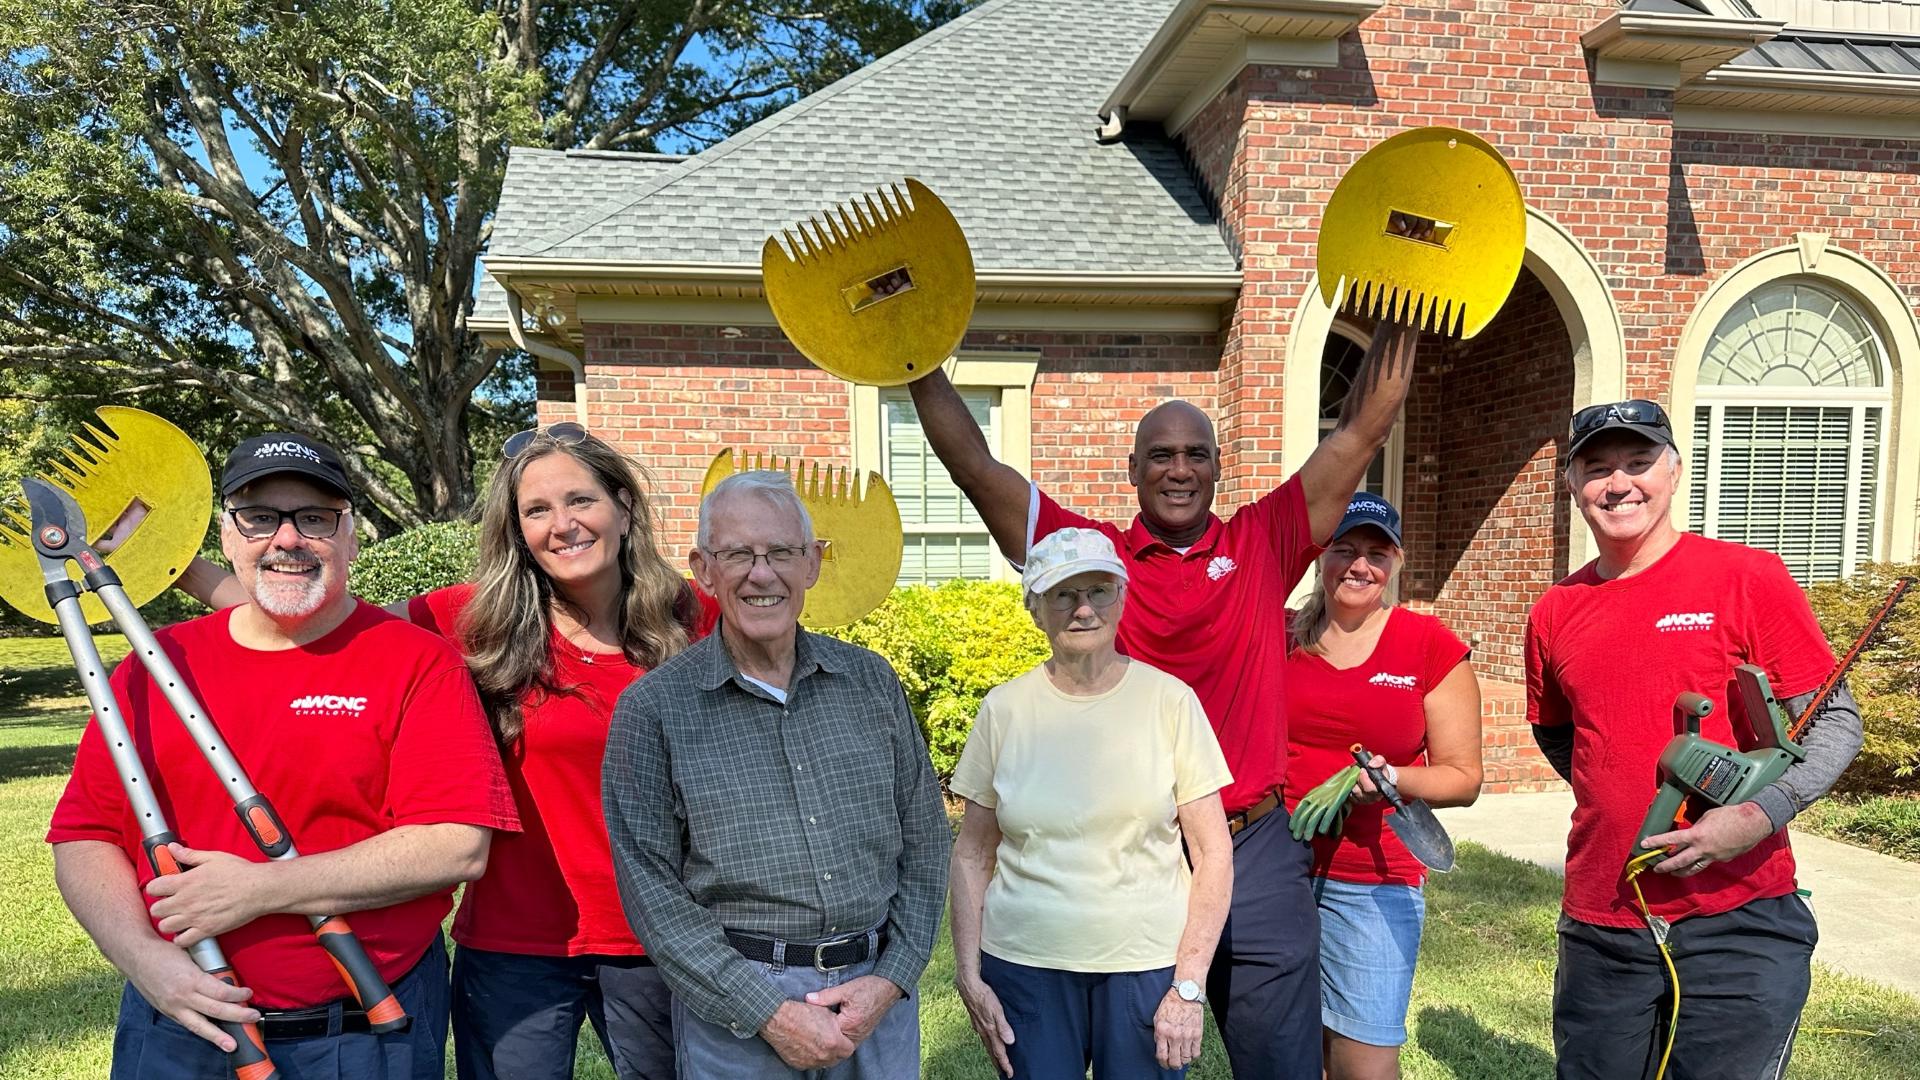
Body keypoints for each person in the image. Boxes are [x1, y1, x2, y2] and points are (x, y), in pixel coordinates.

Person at [906, 321, 1421, 1077]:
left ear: (1217, 467)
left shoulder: (1262, 541)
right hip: (1129, 858)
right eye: (1160, 455)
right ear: (1133, 470)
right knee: (1136, 1057)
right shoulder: (1095, 561)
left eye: (1195, 454)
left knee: (1281, 1063)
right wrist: (913, 358)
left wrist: (1405, 301)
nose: (1179, 470)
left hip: (1248, 843)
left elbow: (1360, 433)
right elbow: (976, 469)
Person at [174, 422, 714, 1079]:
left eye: (581, 500)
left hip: (658, 930)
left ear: (624, 508)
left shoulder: (695, 618)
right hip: (516, 945)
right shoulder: (474, 618)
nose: (562, 525)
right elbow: (319, 623)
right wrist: (174, 562)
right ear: (517, 530)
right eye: (537, 510)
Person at [46, 432, 519, 1079]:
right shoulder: (151, 668)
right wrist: (143, 960)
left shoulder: (417, 663)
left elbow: (455, 846)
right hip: (180, 1027)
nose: (287, 539)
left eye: (315, 518)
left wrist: (260, 890)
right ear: (227, 536)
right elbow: (85, 835)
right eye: (260, 517)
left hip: (362, 1034)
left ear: (351, 536)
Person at [1525, 400, 1862, 1080]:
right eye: (1597, 468)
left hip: (1740, 918)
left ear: (1674, 472)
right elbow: (1561, 738)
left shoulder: (1748, 578)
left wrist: (1755, 814)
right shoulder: (1555, 610)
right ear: (1572, 485)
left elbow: (1835, 723)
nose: (1619, 484)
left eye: (1638, 462)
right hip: (1604, 916)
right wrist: (1624, 796)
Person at [602, 471, 950, 1079]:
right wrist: (769, 1013)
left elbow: (925, 840)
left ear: (812, 564)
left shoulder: (871, 683)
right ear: (704, 570)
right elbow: (652, 892)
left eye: (782, 552)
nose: (761, 575)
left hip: (875, 997)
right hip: (740, 1010)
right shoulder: (654, 710)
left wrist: (893, 978)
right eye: (738, 554)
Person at [948, 527, 1235, 1079]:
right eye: (1063, 594)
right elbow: (972, 853)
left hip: (1146, 966)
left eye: (1099, 590)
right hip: (1026, 965)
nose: (1084, 609)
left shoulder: (1170, 702)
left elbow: (1213, 852)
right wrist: (968, 972)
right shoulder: (1004, 710)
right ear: (1035, 610)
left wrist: (1189, 983)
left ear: (1122, 598)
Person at [1282, 495, 1482, 1079]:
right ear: (1321, 556)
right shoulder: (1281, 633)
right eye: (1344, 548)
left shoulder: (1426, 643)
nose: (1359, 565)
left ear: (1396, 561)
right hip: (1279, 868)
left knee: (1363, 1061)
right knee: (1292, 1054)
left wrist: (1392, 778)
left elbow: (1463, 777)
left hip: (1373, 878)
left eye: (1376, 552)